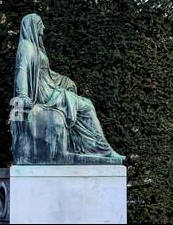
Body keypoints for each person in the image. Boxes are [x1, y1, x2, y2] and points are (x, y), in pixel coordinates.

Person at [13, 13, 124, 163]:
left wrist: (65, 81)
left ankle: (99, 149)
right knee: (87, 106)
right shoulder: (27, 47)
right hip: (45, 94)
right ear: (33, 26)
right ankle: (103, 150)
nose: (44, 27)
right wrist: (23, 95)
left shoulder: (36, 47)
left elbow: (47, 73)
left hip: (51, 89)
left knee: (85, 106)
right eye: (40, 24)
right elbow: (21, 71)